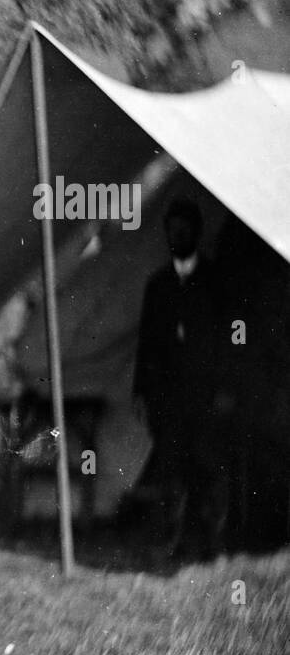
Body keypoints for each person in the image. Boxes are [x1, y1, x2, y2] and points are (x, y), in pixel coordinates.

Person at [132, 196, 231, 562]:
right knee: (171, 472)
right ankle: (172, 542)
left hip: (205, 396)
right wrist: (141, 392)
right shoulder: (157, 286)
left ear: (197, 233)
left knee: (208, 468)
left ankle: (212, 545)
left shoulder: (215, 282)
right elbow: (146, 341)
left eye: (185, 229)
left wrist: (224, 389)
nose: (179, 235)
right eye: (173, 230)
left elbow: (228, 340)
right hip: (167, 398)